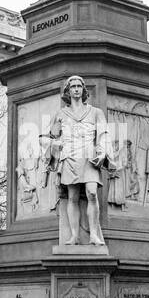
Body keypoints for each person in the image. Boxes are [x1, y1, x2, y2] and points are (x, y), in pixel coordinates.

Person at [45, 75, 108, 247]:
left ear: (83, 89)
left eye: (79, 86)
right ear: (68, 90)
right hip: (70, 157)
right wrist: (56, 145)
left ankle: (94, 234)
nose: (76, 89)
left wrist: (102, 152)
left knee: (92, 193)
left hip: (89, 157)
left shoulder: (96, 112)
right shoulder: (61, 114)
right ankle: (74, 235)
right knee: (72, 196)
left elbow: (103, 134)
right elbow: (50, 136)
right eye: (72, 86)